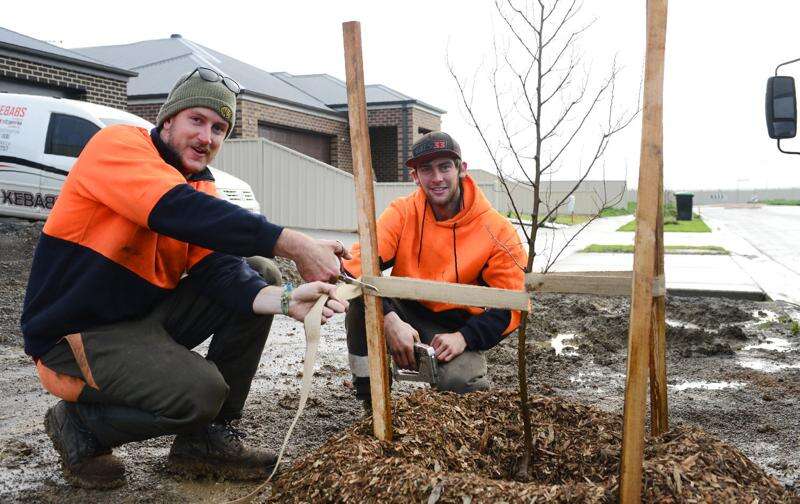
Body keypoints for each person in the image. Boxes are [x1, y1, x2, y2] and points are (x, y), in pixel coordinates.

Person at [20, 67, 349, 489]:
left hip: (136, 326)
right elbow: (172, 209)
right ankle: (82, 426)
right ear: (168, 119)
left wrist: (286, 300)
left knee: (260, 272)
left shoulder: (198, 186)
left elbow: (220, 269)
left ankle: (206, 439)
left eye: (219, 128)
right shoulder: (117, 146)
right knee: (202, 392)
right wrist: (294, 243)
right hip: (72, 339)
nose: (207, 137)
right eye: (197, 120)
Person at [342, 131, 526, 409]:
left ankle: (452, 410)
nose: (436, 177)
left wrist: (465, 337)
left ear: (462, 169)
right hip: (404, 310)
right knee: (359, 307)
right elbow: (355, 267)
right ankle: (372, 401)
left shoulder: (496, 229)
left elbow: (513, 305)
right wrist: (388, 319)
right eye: (426, 169)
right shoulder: (402, 213)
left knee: (463, 384)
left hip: (454, 327)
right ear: (415, 176)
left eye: (445, 166)